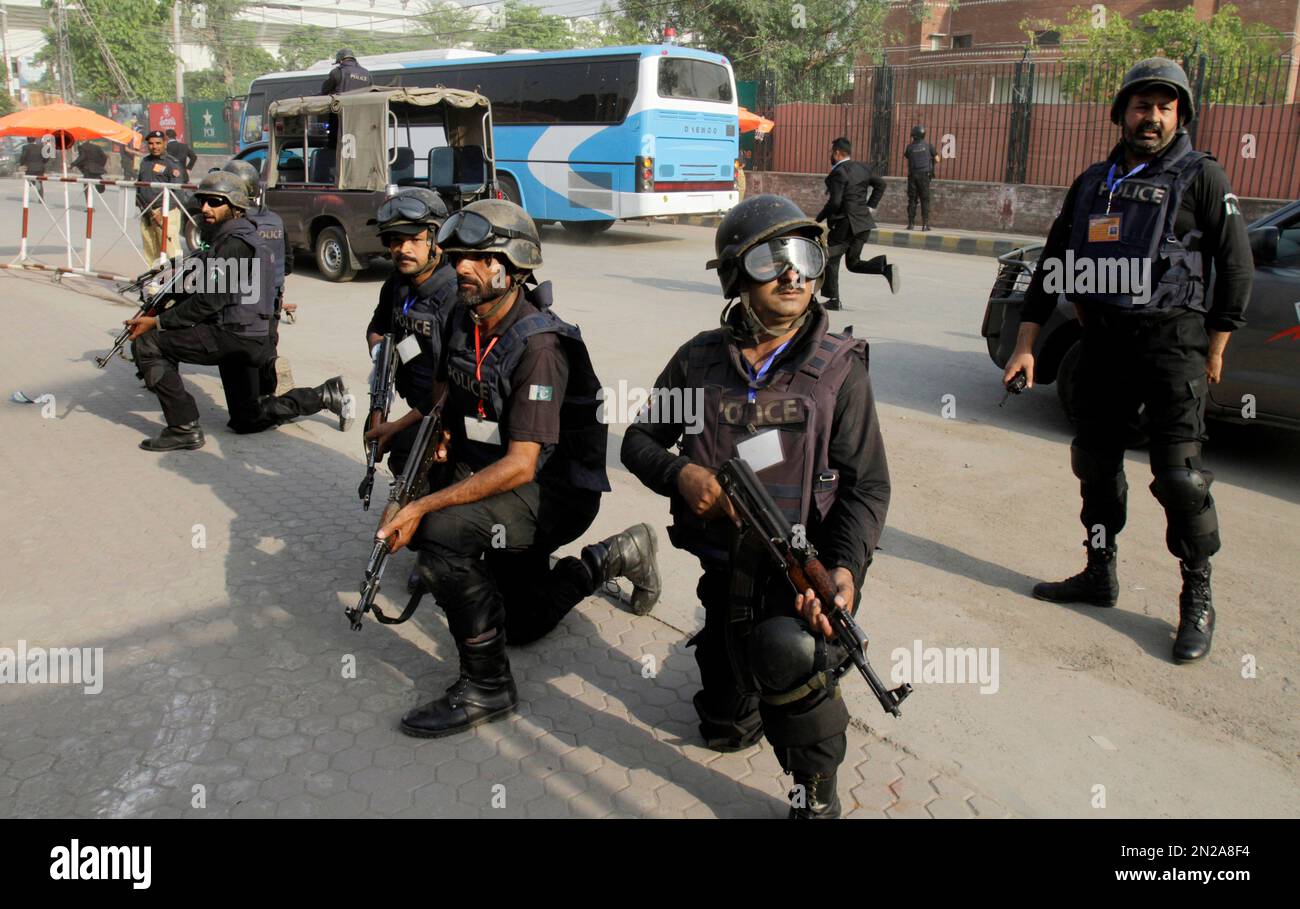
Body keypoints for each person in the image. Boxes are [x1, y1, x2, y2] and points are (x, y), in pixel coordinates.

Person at [621, 194, 892, 817]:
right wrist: (681, 473)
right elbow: (638, 441)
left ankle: (816, 795)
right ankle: (749, 679)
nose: (793, 273)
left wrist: (845, 569)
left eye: (804, 255)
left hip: (803, 577)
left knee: (789, 655)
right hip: (727, 575)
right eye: (772, 259)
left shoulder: (839, 372)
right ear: (736, 277)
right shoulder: (698, 361)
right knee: (723, 724)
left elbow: (867, 487)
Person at [371, 199, 661, 738]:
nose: (462, 268)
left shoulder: (541, 345)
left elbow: (522, 464)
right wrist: (413, 465)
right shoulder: (464, 314)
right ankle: (612, 557)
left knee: (439, 533)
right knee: (523, 623)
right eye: (457, 255)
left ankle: (487, 687)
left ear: (515, 265)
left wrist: (423, 504)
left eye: (480, 258)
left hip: (551, 490)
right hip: (495, 475)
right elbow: (442, 398)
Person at [1004, 58, 1253, 664]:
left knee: (1179, 479)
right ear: (1121, 113)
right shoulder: (1093, 182)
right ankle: (1098, 571)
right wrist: (1026, 344)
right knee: (1094, 464)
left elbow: (1237, 266)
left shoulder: (1203, 177)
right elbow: (1053, 262)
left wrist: (1217, 347)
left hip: (1174, 348)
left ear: (1180, 116)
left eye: (1165, 107)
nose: (1153, 116)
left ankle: (1196, 597)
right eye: (1142, 105)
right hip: (1104, 346)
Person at [126, 172, 353, 450]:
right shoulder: (241, 237)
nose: (206, 209)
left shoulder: (234, 244)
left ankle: (182, 426)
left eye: (214, 202)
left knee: (148, 344)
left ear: (235, 207)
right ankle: (324, 395)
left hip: (233, 337)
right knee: (246, 419)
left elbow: (209, 301)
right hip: (249, 335)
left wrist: (158, 321)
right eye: (203, 202)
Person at [213, 159, 295, 420]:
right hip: (273, 296)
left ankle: (260, 397)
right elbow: (289, 261)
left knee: (245, 353)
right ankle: (270, 380)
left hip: (244, 300)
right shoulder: (274, 219)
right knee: (268, 343)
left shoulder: (235, 225)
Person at [815, 137, 899, 310]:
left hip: (846, 224)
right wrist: (870, 206)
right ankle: (884, 268)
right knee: (853, 263)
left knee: (830, 257)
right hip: (864, 224)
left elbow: (835, 202)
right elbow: (881, 184)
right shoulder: (862, 167)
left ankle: (833, 300)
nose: (830, 156)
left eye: (831, 152)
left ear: (837, 153)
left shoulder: (838, 173)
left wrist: (818, 219)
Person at [136, 130, 185, 264]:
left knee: (172, 251)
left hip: (166, 213)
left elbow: (177, 191)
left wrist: (162, 212)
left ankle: (181, 282)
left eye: (158, 143)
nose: (154, 146)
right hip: (147, 213)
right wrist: (142, 208)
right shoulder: (145, 162)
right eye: (151, 144)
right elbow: (140, 187)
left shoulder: (172, 163)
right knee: (151, 253)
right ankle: (155, 283)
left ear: (165, 143)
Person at [903, 125, 938, 231]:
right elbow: (937, 159)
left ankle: (911, 224)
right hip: (924, 176)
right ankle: (925, 225)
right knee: (925, 200)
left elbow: (908, 156)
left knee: (912, 200)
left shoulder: (909, 147)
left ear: (914, 135)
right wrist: (931, 163)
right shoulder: (928, 146)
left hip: (912, 176)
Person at [19, 137, 47, 201]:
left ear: (27, 140)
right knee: (39, 183)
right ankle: (41, 199)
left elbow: (23, 157)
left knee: (29, 182)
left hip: (30, 168)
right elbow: (46, 158)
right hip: (40, 168)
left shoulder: (25, 147)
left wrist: (22, 164)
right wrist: (43, 163)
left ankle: (26, 199)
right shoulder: (41, 147)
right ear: (35, 140)